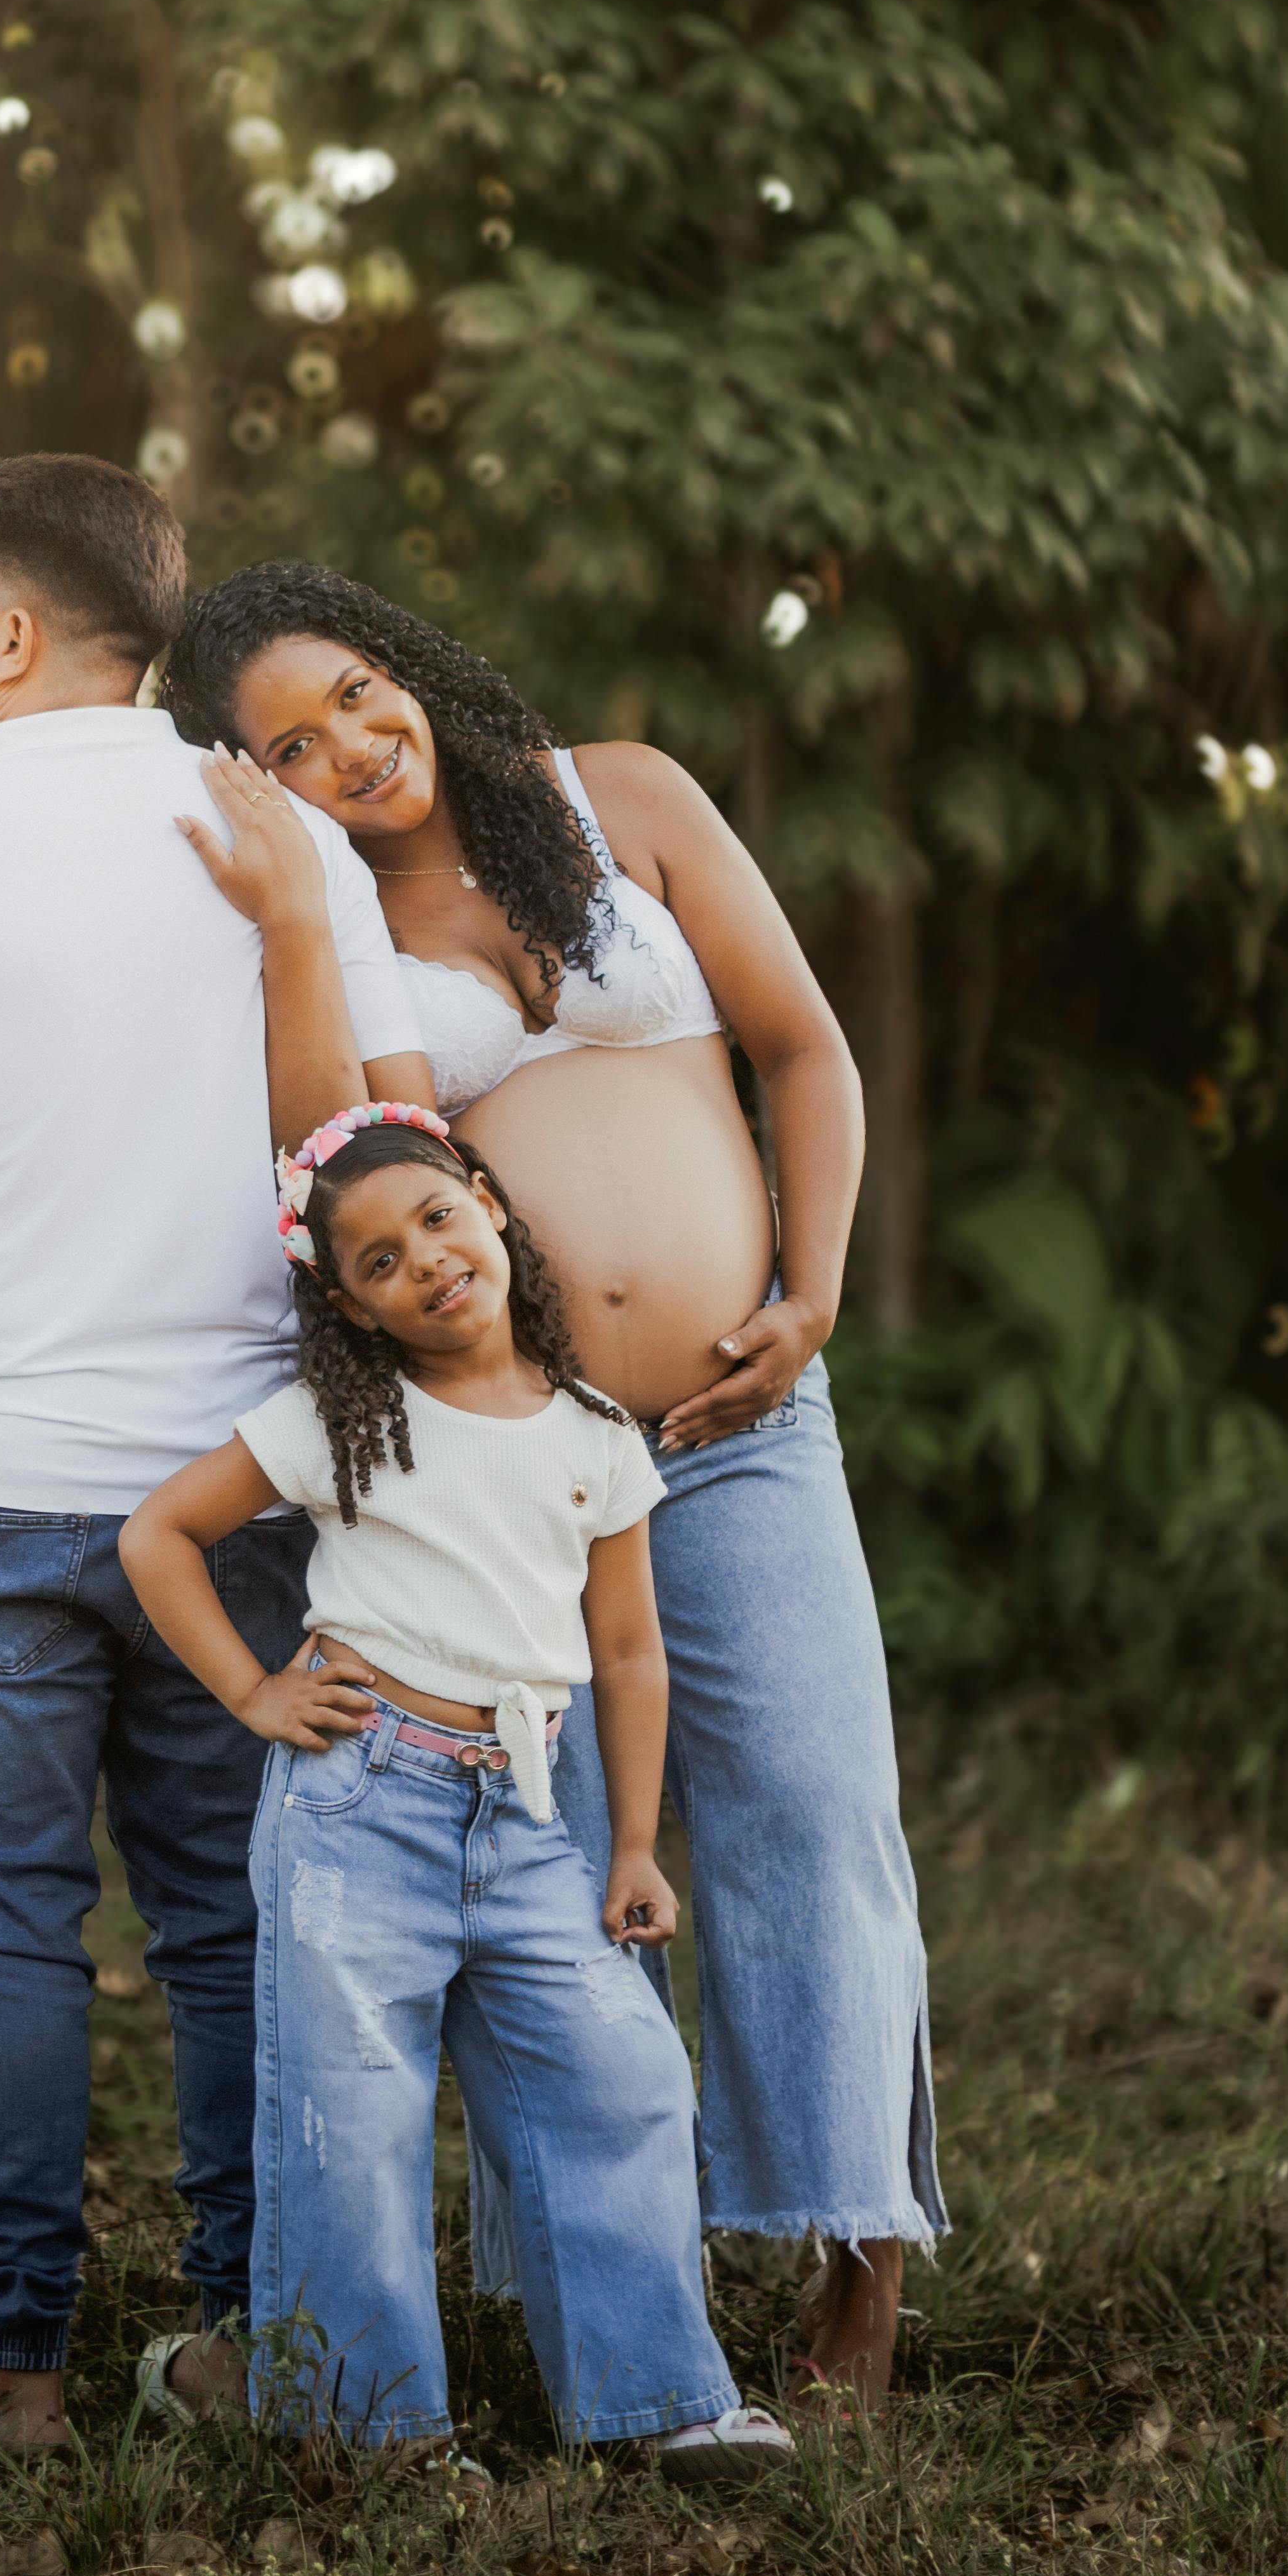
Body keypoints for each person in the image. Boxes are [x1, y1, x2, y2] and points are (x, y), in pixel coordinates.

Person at [163, 565, 945, 2410]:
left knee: (815, 1810)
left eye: (358, 694)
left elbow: (803, 1047)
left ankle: (857, 2257)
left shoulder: (627, 799)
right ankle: (620, 2287)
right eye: (296, 747)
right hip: (524, 1462)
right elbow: (344, 1165)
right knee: (575, 1861)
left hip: (749, 1420)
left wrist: (814, 1293)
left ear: (408, 667)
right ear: (263, 783)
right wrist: (294, 920)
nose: (356, 747)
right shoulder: (342, 923)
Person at [0, 461, 427, 2455]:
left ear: (13, 632)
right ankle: (247, 2338)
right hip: (237, 1496)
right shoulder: (289, 842)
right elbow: (378, 1154)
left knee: (6, 1943)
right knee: (227, 1926)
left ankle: (14, 2369)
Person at [119, 1100, 791, 2470]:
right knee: (354, 2115)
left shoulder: (596, 1434)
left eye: (436, 1217)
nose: (424, 1259)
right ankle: (366, 2433)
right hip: (359, 1807)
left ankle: (658, 2402)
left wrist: (635, 1846)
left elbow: (629, 1652)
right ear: (352, 1308)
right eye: (378, 1260)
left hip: (527, 1821)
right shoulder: (342, 1424)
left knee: (621, 2079)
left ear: (488, 1202)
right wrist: (253, 1692)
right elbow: (159, 1535)